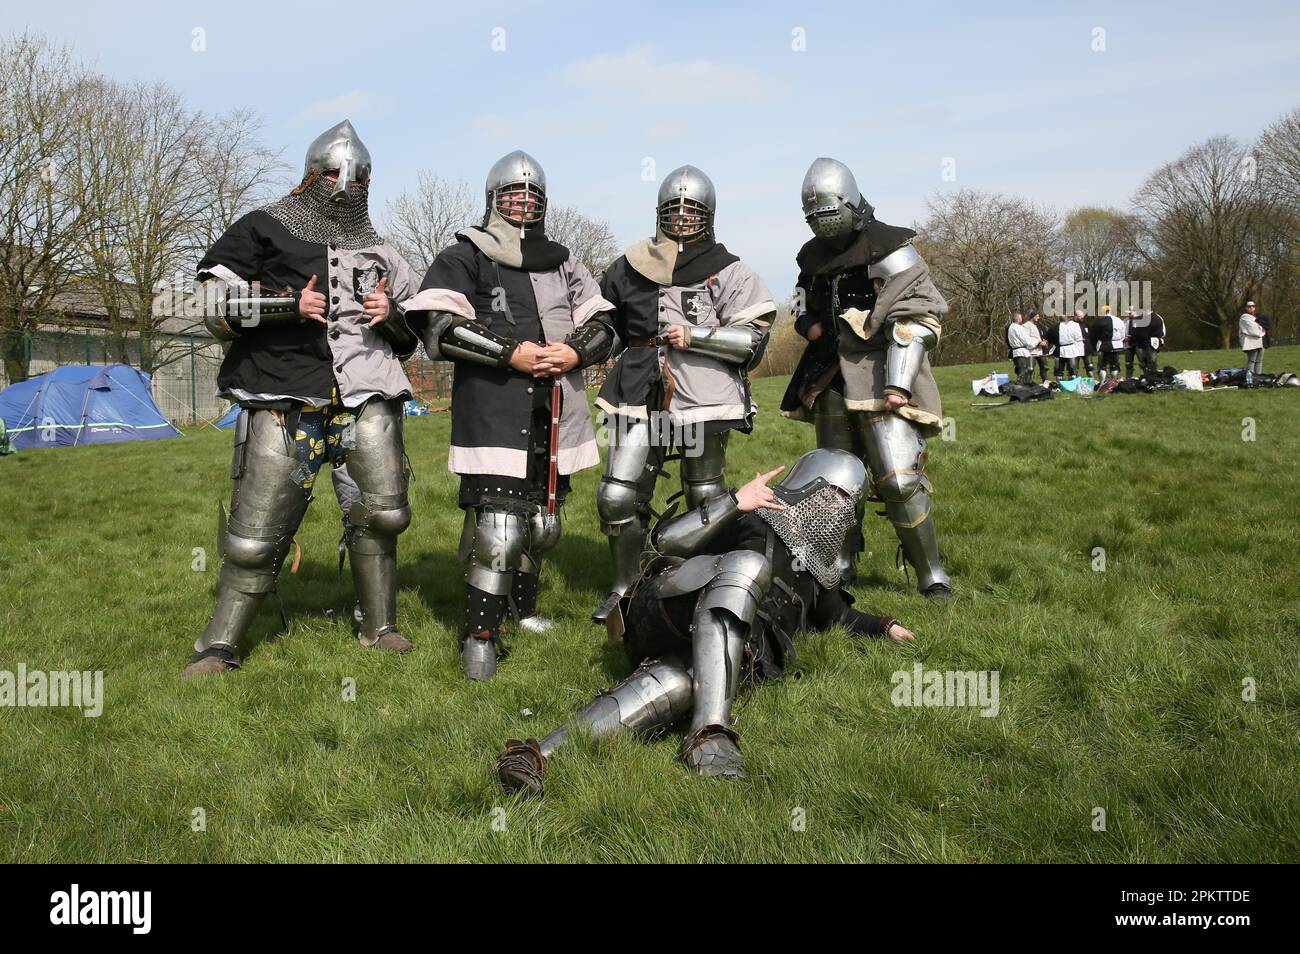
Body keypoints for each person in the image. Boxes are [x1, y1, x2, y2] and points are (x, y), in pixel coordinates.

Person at [494, 449, 916, 796]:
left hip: (730, 651)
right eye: (835, 496)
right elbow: (662, 543)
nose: (839, 510)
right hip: (671, 609)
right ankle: (711, 733)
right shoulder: (756, 517)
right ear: (812, 488)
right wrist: (734, 501)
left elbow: (839, 617)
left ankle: (535, 756)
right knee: (749, 565)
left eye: (848, 504)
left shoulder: (820, 572)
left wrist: (884, 626)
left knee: (677, 683)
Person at [184, 120, 422, 676]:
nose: (349, 185)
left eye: (361, 177)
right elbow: (206, 302)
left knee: (384, 514)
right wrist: (287, 306)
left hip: (366, 392)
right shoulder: (265, 227)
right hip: (282, 391)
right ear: (313, 175)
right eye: (340, 174)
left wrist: (393, 317)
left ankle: (379, 623)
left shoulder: (383, 250)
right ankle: (219, 645)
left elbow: (420, 331)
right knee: (254, 533)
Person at [403, 150, 617, 679]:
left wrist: (574, 352)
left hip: (556, 406)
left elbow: (604, 324)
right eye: (512, 195)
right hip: (495, 408)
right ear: (493, 200)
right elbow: (439, 325)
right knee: (500, 528)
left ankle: (525, 611)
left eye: (531, 196)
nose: (522, 203)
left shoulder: (564, 259)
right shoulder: (466, 253)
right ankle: (479, 636)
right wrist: (510, 353)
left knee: (542, 524)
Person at [591, 165, 775, 624]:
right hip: (636, 388)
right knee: (616, 496)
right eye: (674, 210)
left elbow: (752, 340)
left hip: (703, 393)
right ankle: (626, 588)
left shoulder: (729, 269)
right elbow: (605, 327)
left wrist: (695, 336)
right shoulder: (628, 265)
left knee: (704, 494)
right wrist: (576, 348)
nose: (682, 218)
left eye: (691, 211)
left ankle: (705, 578)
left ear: (708, 216)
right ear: (658, 214)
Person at [778, 158, 952, 598]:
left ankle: (931, 572)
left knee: (897, 478)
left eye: (830, 212)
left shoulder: (891, 248)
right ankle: (838, 564)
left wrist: (898, 384)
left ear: (851, 203)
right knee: (837, 480)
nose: (824, 223)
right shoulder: (812, 257)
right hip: (829, 376)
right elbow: (800, 301)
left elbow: (916, 322)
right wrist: (807, 325)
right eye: (815, 216)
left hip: (878, 370)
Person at [1126, 307, 1165, 378]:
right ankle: (1149, 377)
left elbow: (1139, 332)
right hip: (1147, 343)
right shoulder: (1157, 317)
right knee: (1147, 362)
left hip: (1148, 342)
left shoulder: (1150, 319)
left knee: (1150, 362)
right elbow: (1162, 333)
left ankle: (1153, 378)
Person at [1094, 305, 1126, 381]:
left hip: (1105, 345)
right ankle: (1114, 382)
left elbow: (1096, 334)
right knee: (1114, 364)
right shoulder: (1118, 320)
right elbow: (1122, 334)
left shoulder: (1100, 321)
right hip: (1117, 345)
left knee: (1103, 365)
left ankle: (1102, 382)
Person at [1007, 312, 1038, 384]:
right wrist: (1036, 342)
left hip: (1018, 351)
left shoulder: (1011, 327)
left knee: (1024, 371)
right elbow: (1026, 340)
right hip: (1021, 352)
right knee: (1023, 372)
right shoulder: (1017, 327)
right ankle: (1020, 388)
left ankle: (1026, 387)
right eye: (1021, 318)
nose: (1022, 319)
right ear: (1018, 319)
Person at [1056, 311, 1086, 379]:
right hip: (1069, 348)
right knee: (1067, 367)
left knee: (1072, 367)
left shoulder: (1084, 324)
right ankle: (1064, 382)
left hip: (1076, 348)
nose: (1082, 317)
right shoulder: (1070, 325)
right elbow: (1077, 336)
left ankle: (1072, 381)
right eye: (1080, 316)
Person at [1239, 300, 1266, 376]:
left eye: (1253, 306)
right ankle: (1250, 378)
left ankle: (1258, 377)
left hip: (1260, 342)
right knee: (1252, 361)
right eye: (1249, 306)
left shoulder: (1257, 316)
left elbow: (1266, 325)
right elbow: (1253, 329)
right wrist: (1261, 329)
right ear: (1246, 308)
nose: (1251, 308)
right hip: (1251, 343)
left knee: (1259, 361)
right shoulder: (1244, 317)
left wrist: (1261, 327)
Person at [1029, 310, 1053, 382]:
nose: (1038, 318)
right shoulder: (1027, 326)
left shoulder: (1041, 327)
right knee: (1030, 368)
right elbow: (1027, 338)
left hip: (1041, 351)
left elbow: (1045, 336)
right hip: (1031, 351)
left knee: (1044, 367)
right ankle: (1029, 384)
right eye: (1036, 316)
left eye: (1038, 316)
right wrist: (1038, 343)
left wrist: (1045, 341)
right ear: (1032, 317)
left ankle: (1046, 383)